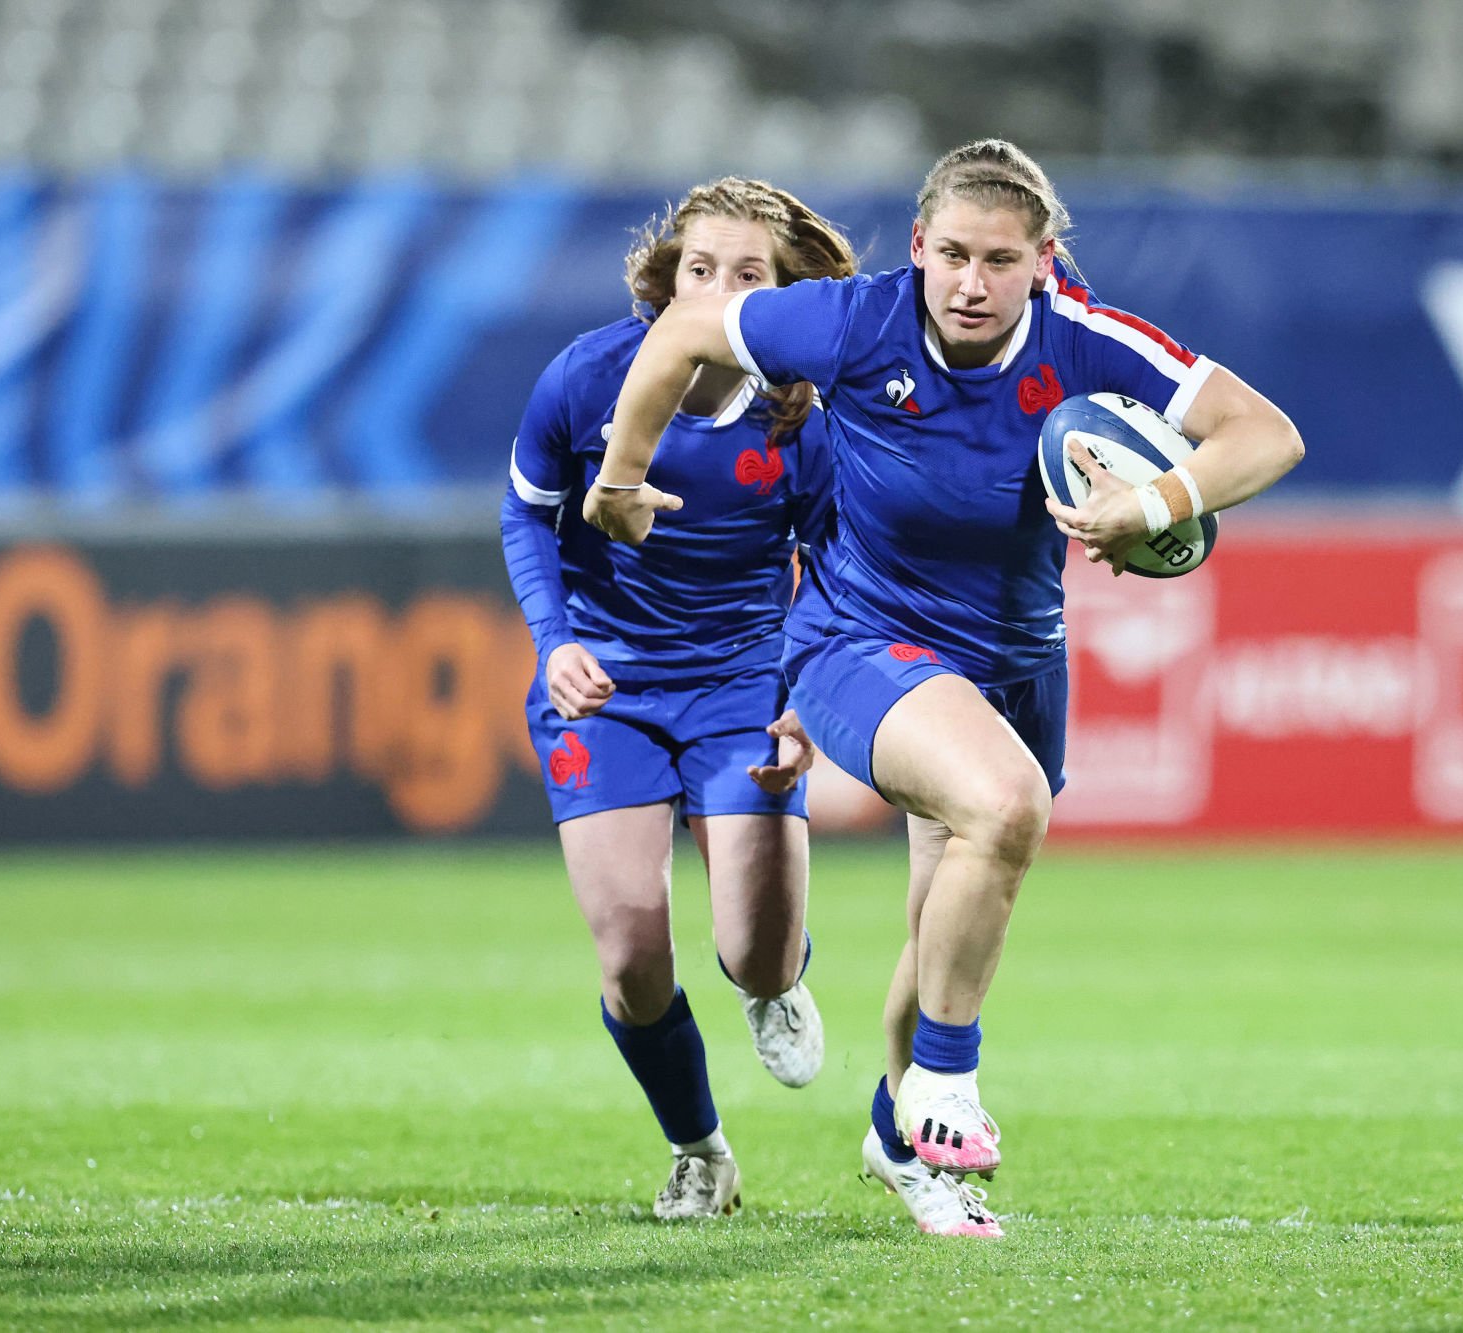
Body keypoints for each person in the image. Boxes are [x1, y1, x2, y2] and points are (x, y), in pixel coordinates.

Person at [583, 140, 1305, 1237]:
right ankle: (949, 1083)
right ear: (918, 246)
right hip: (858, 643)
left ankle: (899, 1138)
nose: (972, 282)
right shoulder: (852, 321)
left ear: (1042, 262)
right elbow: (685, 330)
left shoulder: (1085, 340)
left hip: (1017, 661)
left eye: (1000, 260)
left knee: (942, 928)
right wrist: (620, 478)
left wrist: (1155, 502)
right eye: (954, 254)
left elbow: (1267, 434)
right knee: (1005, 804)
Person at [500, 177, 856, 1220]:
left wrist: (806, 690)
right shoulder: (587, 376)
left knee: (754, 950)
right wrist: (556, 643)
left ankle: (773, 980)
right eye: (700, 268)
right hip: (605, 686)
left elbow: (836, 566)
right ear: (669, 276)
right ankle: (699, 1149)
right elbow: (525, 514)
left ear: (781, 295)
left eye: (748, 274)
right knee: (630, 954)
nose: (718, 290)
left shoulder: (801, 412)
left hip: (743, 684)